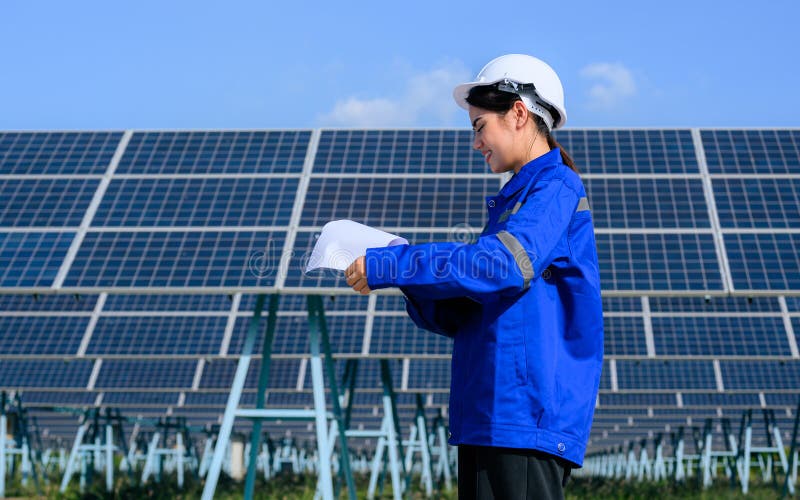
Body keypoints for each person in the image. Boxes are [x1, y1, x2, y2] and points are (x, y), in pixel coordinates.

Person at [345, 54, 603, 500]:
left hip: (522, 415)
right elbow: (467, 311)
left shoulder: (555, 188)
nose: (476, 143)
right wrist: (407, 278)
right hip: (489, 414)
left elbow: (499, 266)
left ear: (519, 114)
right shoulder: (514, 202)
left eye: (479, 126)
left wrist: (397, 264)